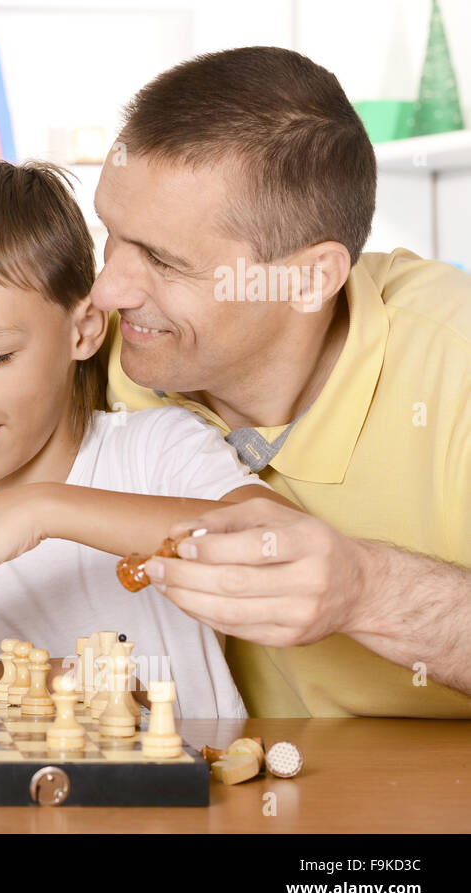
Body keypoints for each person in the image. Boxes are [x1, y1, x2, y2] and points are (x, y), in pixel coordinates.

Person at [91, 46, 471, 716]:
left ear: (309, 277)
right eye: (112, 236)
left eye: (162, 260)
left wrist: (367, 588)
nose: (108, 287)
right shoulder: (110, 346)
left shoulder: (455, 363)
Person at [0, 159, 294, 717]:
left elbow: (285, 548)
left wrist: (43, 510)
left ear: (83, 330)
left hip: (192, 800)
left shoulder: (156, 451)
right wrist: (14, 681)